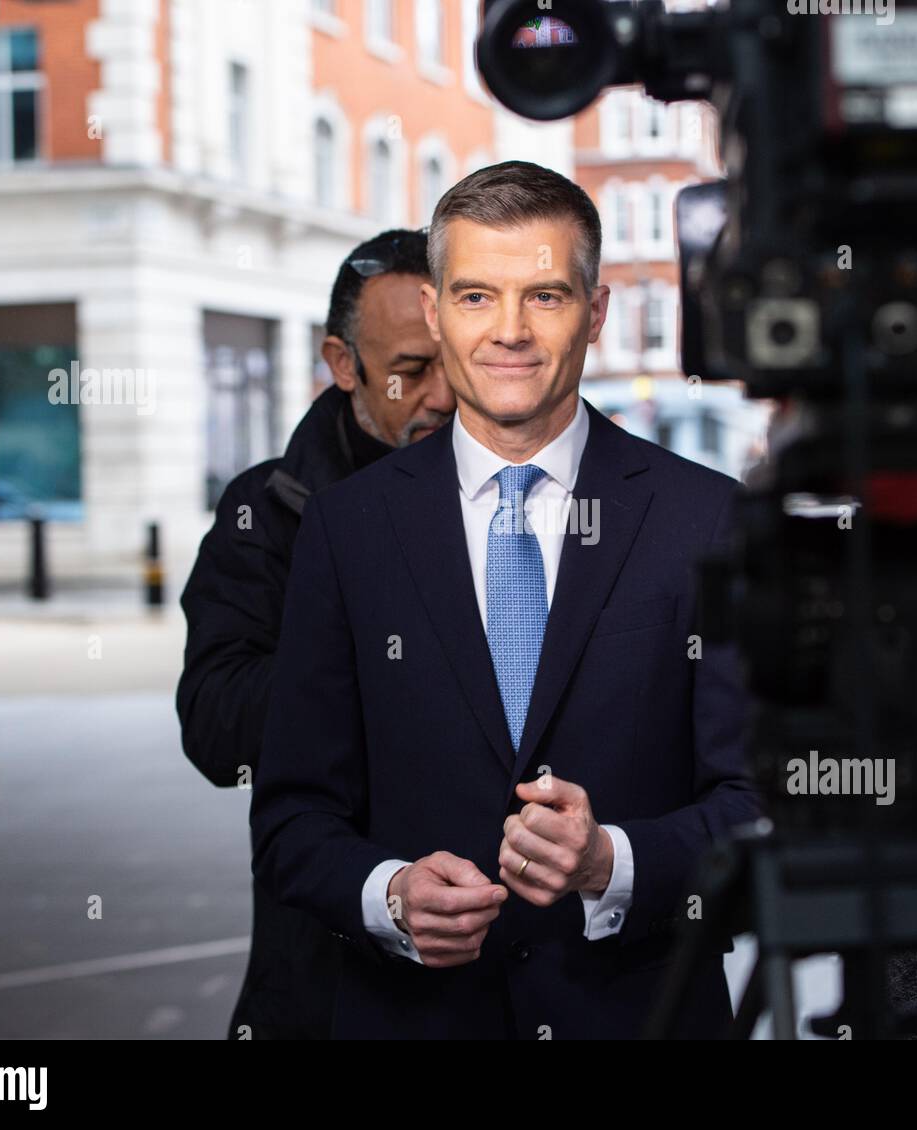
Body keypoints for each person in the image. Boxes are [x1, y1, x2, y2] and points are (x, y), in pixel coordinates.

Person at [251, 161, 761, 1039]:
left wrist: (613, 863)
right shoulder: (348, 530)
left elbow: (761, 802)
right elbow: (293, 820)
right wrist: (389, 896)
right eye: (478, 296)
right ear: (435, 311)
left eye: (547, 296)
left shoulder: (706, 518)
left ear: (596, 312)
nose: (511, 332)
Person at [176, 229, 455, 1039]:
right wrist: (376, 655)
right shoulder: (264, 513)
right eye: (409, 370)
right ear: (343, 364)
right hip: (327, 970)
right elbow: (214, 729)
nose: (439, 395)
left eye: (451, 361)